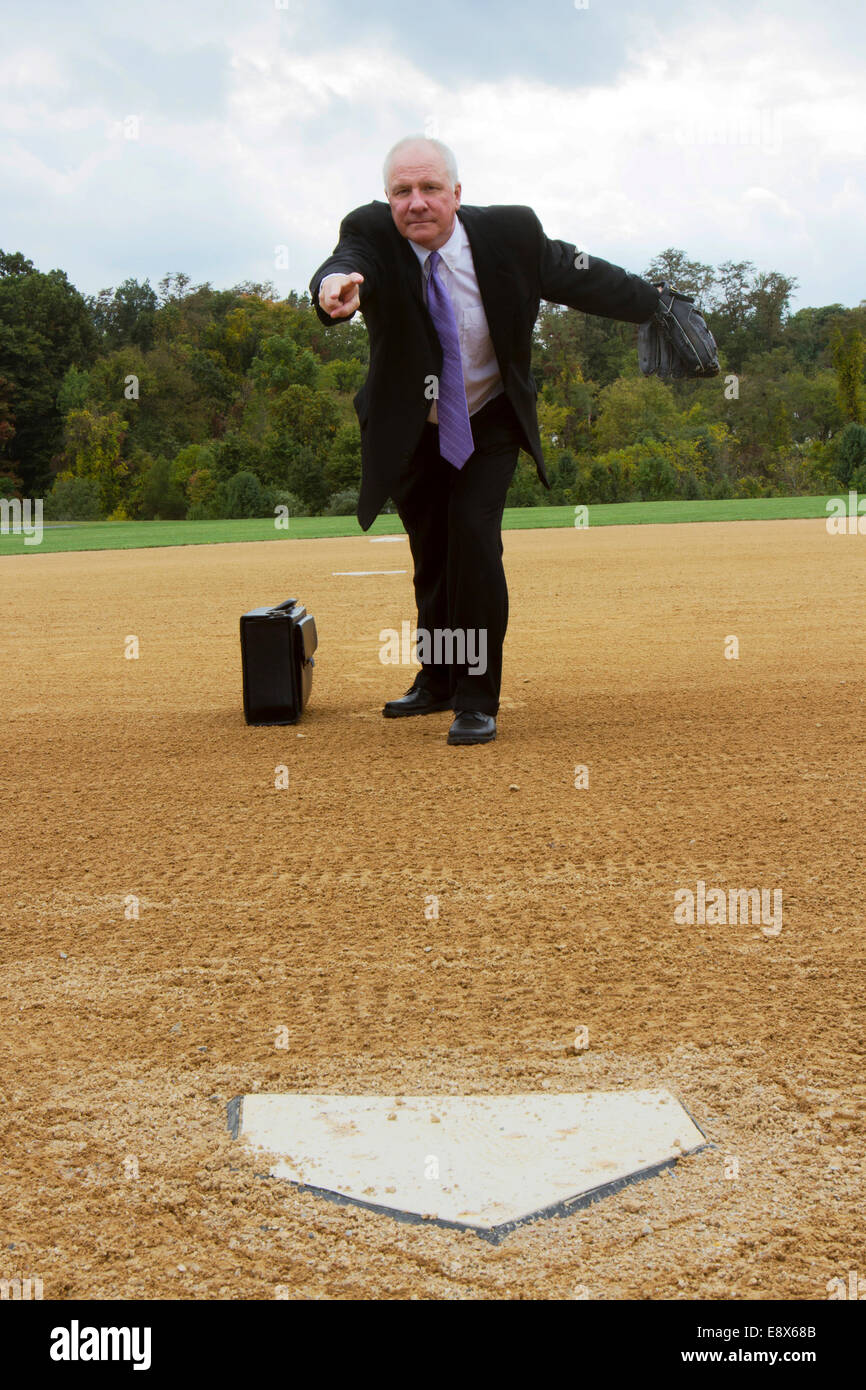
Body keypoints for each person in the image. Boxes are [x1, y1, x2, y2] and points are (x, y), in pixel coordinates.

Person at [310, 136, 661, 744]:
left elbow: (581, 276)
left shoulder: (511, 234)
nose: (416, 203)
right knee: (433, 554)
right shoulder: (372, 231)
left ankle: (476, 695)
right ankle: (439, 678)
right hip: (412, 427)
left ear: (457, 194)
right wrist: (334, 284)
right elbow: (345, 259)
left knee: (473, 539)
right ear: (388, 196)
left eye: (430, 189)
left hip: (488, 414)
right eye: (402, 192)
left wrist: (655, 304)